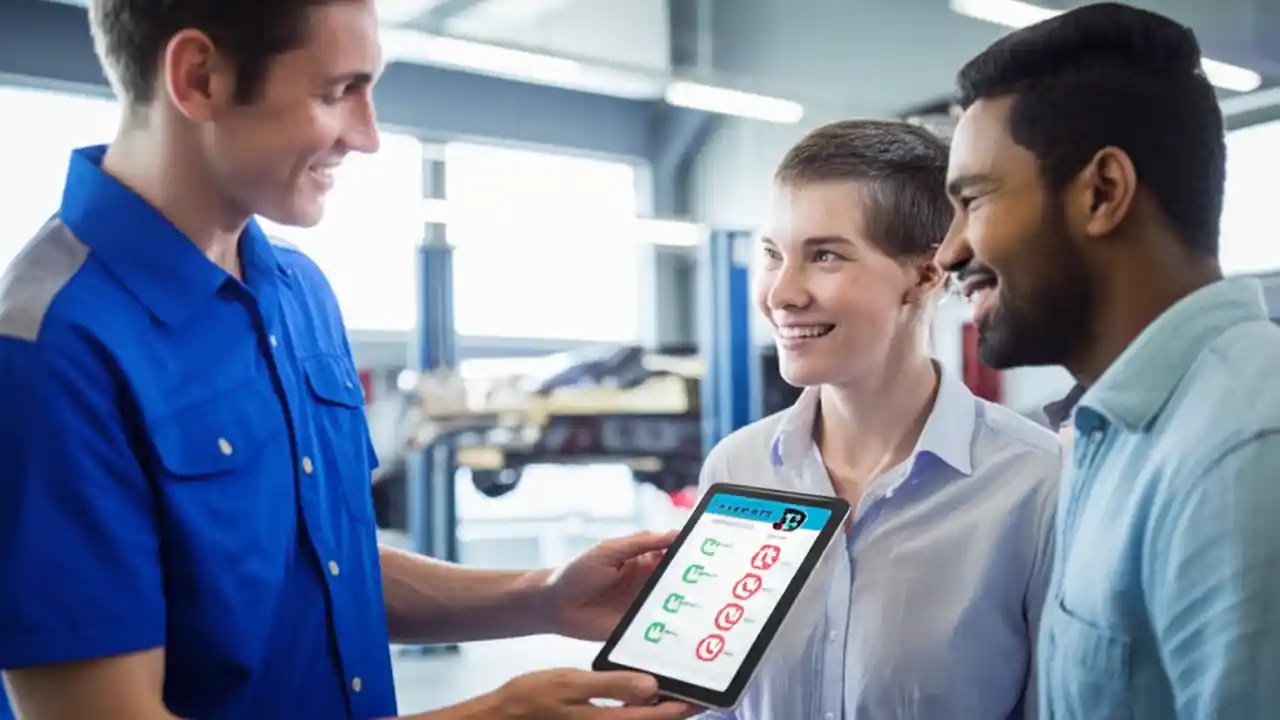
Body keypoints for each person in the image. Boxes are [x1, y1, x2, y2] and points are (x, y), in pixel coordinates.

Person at [0, 2, 695, 719]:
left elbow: (321, 567)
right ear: (200, 77)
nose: (367, 136)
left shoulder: (297, 291)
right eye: (338, 92)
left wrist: (543, 596)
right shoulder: (48, 350)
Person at [936, 4, 1280, 718]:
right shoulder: (1117, 433)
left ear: (1102, 193)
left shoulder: (1245, 456)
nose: (950, 253)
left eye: (973, 199)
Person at [696, 120, 1062, 720]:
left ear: (925, 274)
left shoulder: (1034, 484)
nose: (781, 293)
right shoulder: (738, 468)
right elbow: (713, 704)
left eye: (825, 256)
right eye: (772, 255)